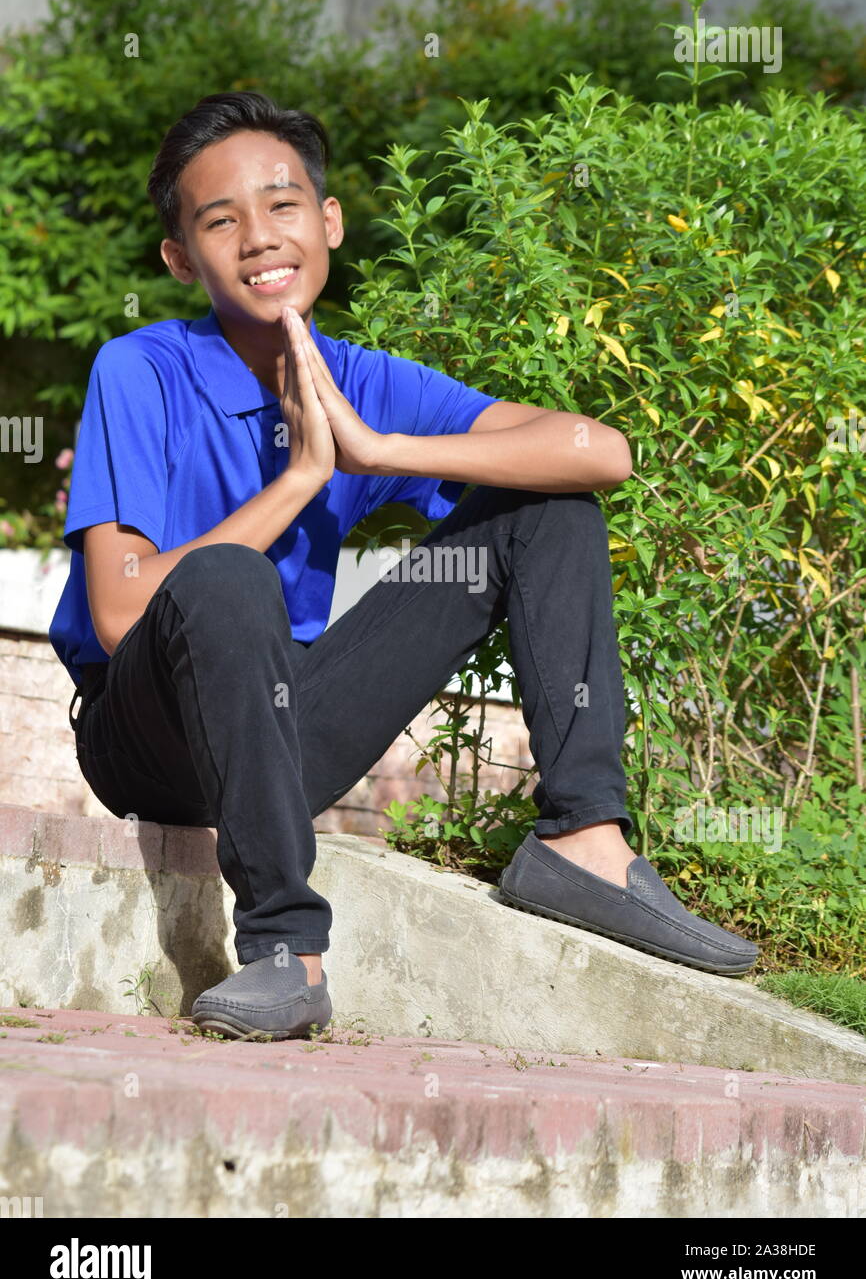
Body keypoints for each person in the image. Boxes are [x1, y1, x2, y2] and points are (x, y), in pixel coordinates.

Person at [49, 91, 758, 1040]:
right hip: (148, 736)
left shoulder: (368, 380)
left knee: (548, 506)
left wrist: (380, 449)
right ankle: (284, 952)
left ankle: (583, 839)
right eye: (222, 221)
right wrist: (304, 477)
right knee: (225, 578)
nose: (260, 236)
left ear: (329, 221)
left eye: (283, 204)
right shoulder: (140, 369)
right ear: (181, 258)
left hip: (285, 729)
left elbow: (600, 449)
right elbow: (121, 614)